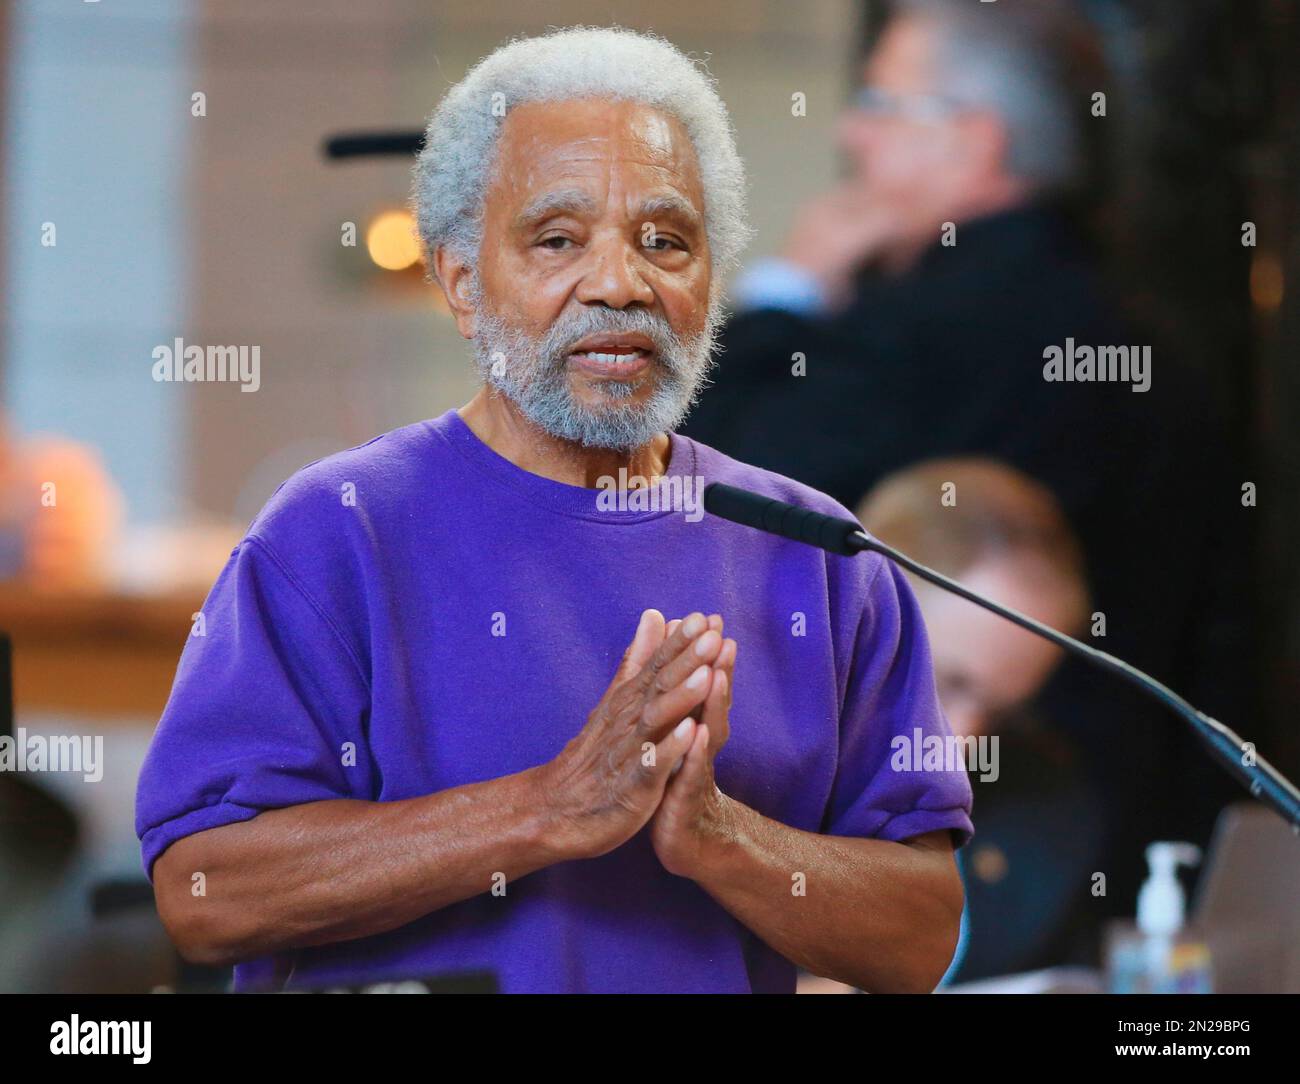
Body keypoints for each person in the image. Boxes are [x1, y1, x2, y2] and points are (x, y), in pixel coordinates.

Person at [135, 26, 973, 995]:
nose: (620, 284)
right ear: (459, 280)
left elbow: (921, 939)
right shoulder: (338, 529)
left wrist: (717, 837)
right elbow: (202, 894)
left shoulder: (819, 556)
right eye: (557, 240)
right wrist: (548, 808)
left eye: (666, 241)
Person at [685, 0, 1250, 913]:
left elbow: (699, 478)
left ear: (974, 141)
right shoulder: (1147, 331)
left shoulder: (919, 329)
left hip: (929, 855)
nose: (851, 132)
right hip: (1127, 853)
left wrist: (784, 294)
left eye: (882, 103)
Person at [858, 458, 1106, 978]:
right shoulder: (732, 778)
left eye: (1001, 712)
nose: (962, 741)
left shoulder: (1044, 811)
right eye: (943, 683)